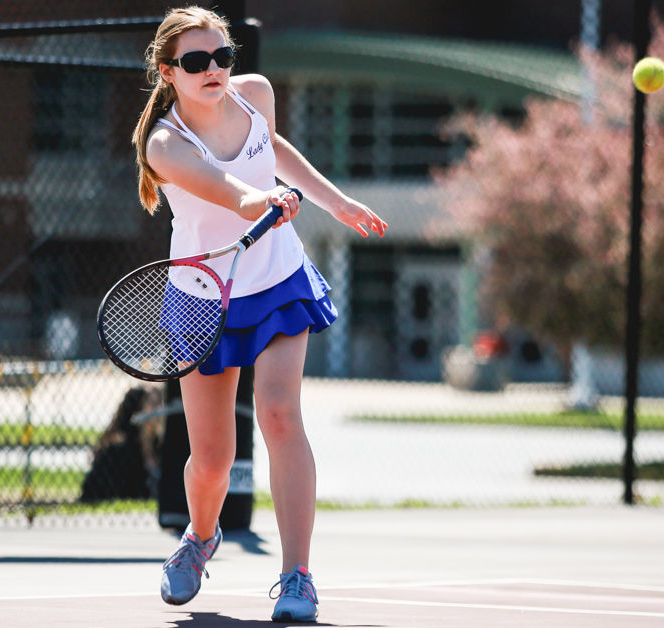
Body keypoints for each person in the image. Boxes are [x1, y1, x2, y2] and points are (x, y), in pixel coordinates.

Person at [131, 6, 387, 622]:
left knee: (278, 413)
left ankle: (298, 577)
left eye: (221, 56)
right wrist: (261, 199)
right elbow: (227, 189)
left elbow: (269, 147)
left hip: (276, 280)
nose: (213, 69)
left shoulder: (256, 94)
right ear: (168, 72)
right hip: (201, 297)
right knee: (212, 457)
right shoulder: (164, 143)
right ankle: (200, 537)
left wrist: (334, 202)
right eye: (196, 61)